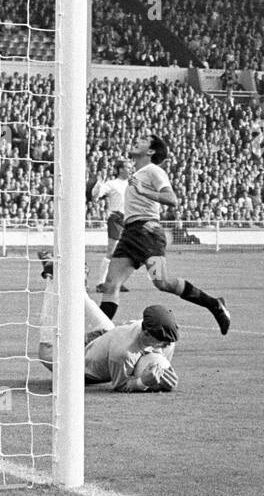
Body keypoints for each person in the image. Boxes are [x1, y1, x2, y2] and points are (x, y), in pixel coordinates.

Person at [100, 133, 231, 334]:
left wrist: (144, 192)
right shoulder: (137, 175)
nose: (136, 140)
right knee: (110, 284)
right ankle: (100, 334)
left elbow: (172, 199)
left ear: (151, 151)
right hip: (130, 234)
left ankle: (214, 304)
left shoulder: (153, 170)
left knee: (162, 282)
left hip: (147, 232)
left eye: (143, 140)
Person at [37, 282, 180, 392]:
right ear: (146, 333)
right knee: (46, 349)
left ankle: (75, 280)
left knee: (81, 295)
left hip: (106, 334)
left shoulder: (149, 331)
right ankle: (52, 276)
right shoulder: (124, 353)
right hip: (77, 362)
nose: (166, 346)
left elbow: (160, 362)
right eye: (161, 342)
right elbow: (121, 386)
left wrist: (162, 378)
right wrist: (142, 382)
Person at [90, 159, 131, 291]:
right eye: (127, 167)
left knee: (125, 253)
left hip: (129, 219)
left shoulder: (133, 184)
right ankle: (100, 283)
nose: (130, 169)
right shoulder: (112, 184)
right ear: (120, 169)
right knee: (111, 251)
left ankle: (116, 281)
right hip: (116, 218)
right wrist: (98, 184)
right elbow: (95, 196)